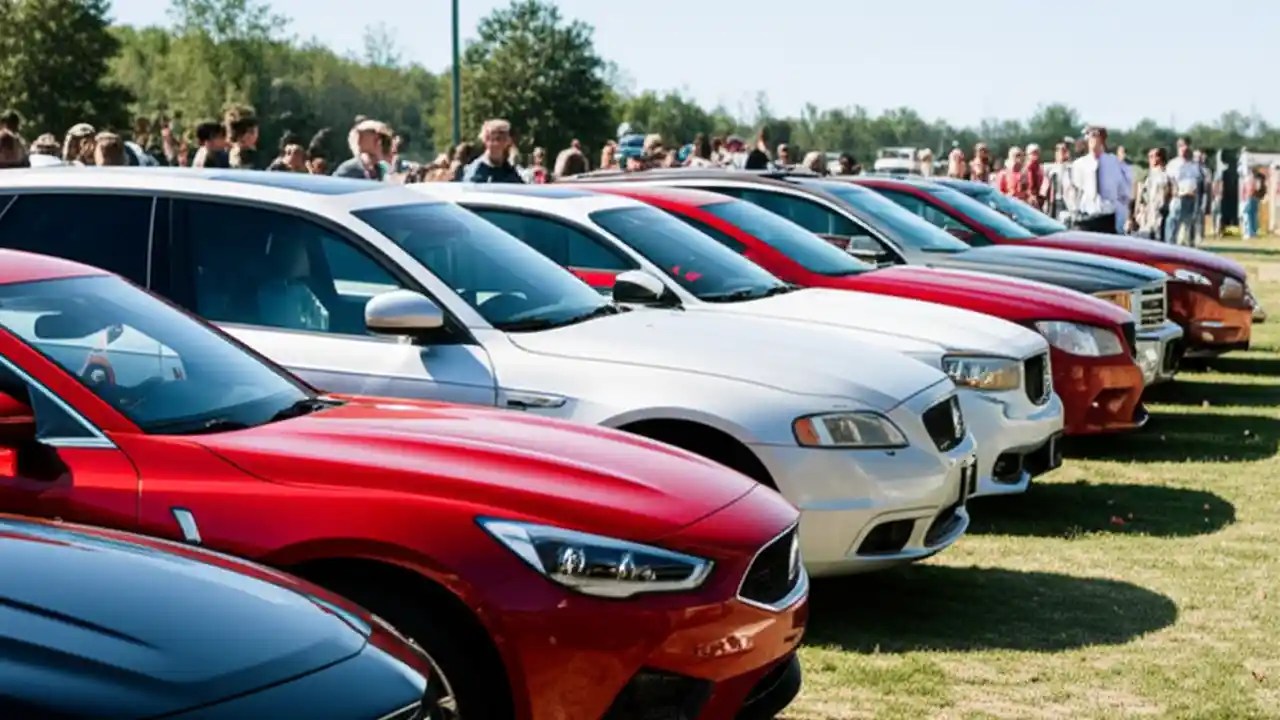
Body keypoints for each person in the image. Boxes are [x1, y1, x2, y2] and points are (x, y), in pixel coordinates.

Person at [1069, 125, 1132, 234]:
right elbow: (1073, 191)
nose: (1092, 139)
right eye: (1090, 135)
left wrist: (1124, 215)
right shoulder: (1079, 164)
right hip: (1086, 216)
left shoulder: (1113, 162)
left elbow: (1123, 192)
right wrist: (1074, 210)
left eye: (1096, 136)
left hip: (1107, 216)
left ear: (1102, 139)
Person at [1165, 137, 1208, 246]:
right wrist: (1174, 190)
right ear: (1178, 148)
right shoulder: (1173, 164)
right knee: (1174, 221)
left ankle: (1189, 244)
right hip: (1179, 197)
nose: (1185, 148)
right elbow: (1169, 180)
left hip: (1192, 198)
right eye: (1182, 146)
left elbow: (1199, 179)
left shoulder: (1194, 165)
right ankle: (1170, 244)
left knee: (1190, 223)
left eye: (1187, 145)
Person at [461, 119, 524, 183]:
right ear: (485, 139)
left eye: (504, 135)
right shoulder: (477, 169)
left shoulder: (509, 170)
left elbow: (521, 189)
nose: (497, 142)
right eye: (496, 137)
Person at [1135, 147, 1173, 241]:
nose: (1151, 159)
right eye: (1150, 157)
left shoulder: (1165, 175)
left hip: (1159, 213)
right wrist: (1137, 211)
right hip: (1146, 213)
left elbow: (1169, 193)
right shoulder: (1147, 176)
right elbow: (1141, 194)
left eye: (1153, 156)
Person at [1043, 141, 1076, 221]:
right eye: (1057, 150)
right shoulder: (1049, 169)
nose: (1060, 152)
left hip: (1067, 202)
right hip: (1053, 202)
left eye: (1063, 150)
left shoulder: (1072, 168)